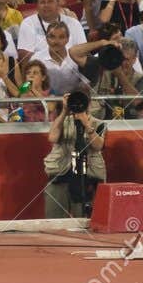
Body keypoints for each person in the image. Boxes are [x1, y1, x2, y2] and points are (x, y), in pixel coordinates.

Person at [43, 90, 107, 218]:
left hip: (87, 177)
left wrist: (86, 124)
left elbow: (98, 145)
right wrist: (64, 111)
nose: (79, 104)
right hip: (61, 173)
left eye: (82, 100)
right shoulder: (62, 121)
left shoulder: (98, 123)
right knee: (54, 217)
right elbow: (53, 138)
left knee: (84, 219)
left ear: (89, 103)